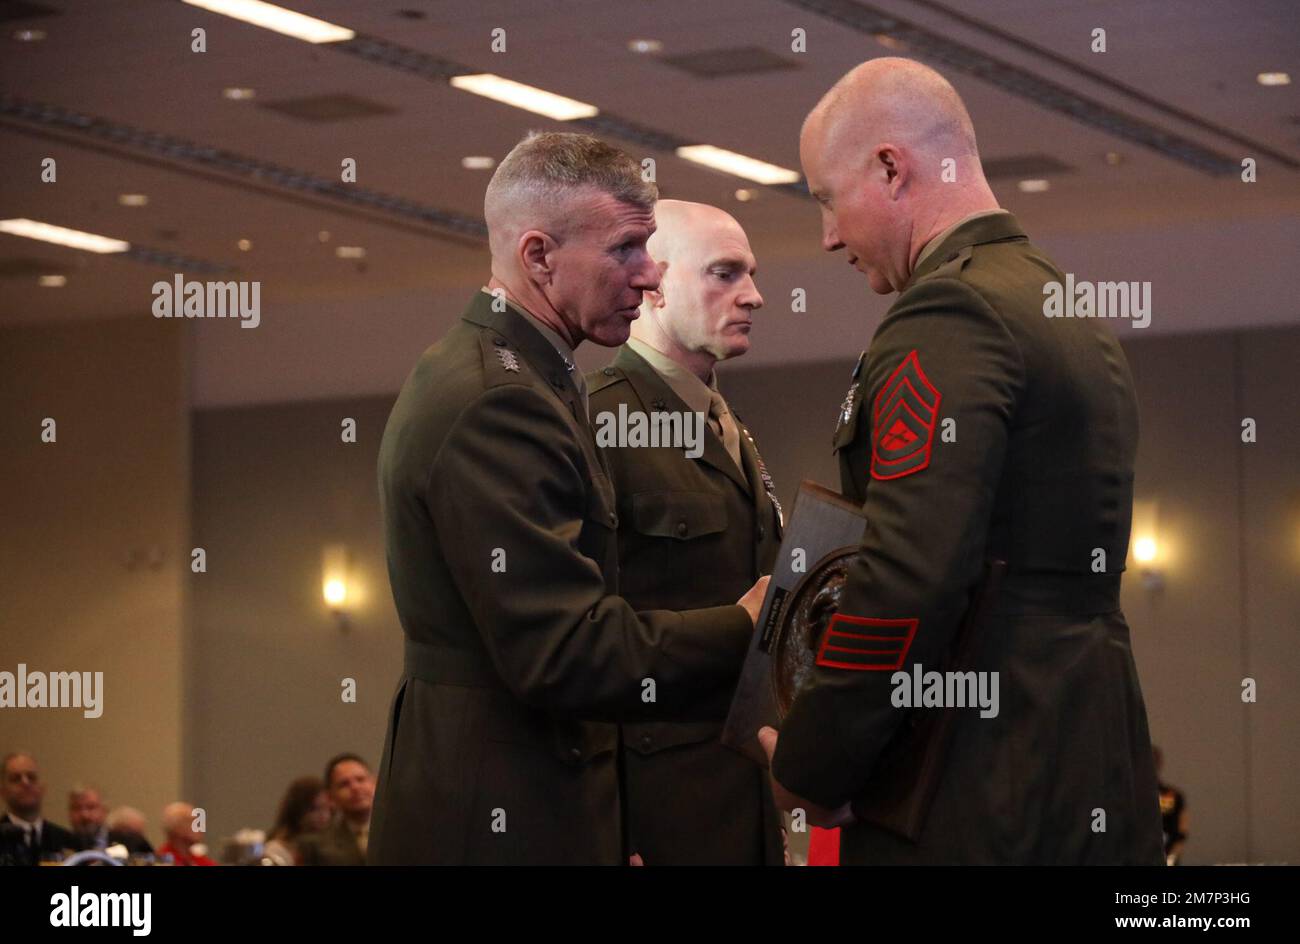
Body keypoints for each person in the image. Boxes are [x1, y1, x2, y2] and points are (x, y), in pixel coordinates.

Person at [760, 57, 1164, 864]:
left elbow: (910, 574)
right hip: (1094, 760)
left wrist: (816, 760)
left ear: (889, 168)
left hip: (972, 782)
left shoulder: (948, 312)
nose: (829, 234)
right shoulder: (1065, 305)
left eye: (827, 201)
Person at [369, 131, 768, 865]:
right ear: (538, 257)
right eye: (625, 250)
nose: (650, 276)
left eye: (648, 248)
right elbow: (562, 652)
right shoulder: (501, 401)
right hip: (501, 813)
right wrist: (743, 624)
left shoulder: (527, 377)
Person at [586, 199, 783, 865]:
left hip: (742, 791)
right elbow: (579, 641)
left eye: (751, 275)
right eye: (724, 274)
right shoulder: (600, 425)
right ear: (656, 284)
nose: (752, 295)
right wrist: (606, 831)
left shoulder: (727, 425)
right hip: (654, 808)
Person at [0, 752, 77, 865]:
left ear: (42, 788)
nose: (25, 783)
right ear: (3, 791)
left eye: (31, 777)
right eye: (16, 779)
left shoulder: (67, 841)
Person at [298, 756, 371, 866]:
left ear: (375, 783)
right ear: (330, 797)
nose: (355, 788)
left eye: (360, 779)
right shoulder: (316, 846)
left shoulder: (400, 833)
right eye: (344, 784)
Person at [68, 784, 153, 855]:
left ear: (105, 811)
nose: (84, 815)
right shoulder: (64, 843)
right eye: (77, 808)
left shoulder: (130, 841)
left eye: (91, 807)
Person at [264, 776, 331, 865]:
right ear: (298, 811)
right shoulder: (275, 852)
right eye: (314, 809)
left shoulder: (329, 849)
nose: (324, 816)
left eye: (327, 808)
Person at [1153, 747, 1189, 864]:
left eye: (1154, 761)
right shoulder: (1132, 796)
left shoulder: (1172, 796)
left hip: (1167, 857)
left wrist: (1171, 858)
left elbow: (1182, 832)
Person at [157, 801, 216, 866]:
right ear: (176, 828)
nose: (199, 827)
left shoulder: (202, 861)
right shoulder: (161, 860)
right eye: (192, 821)